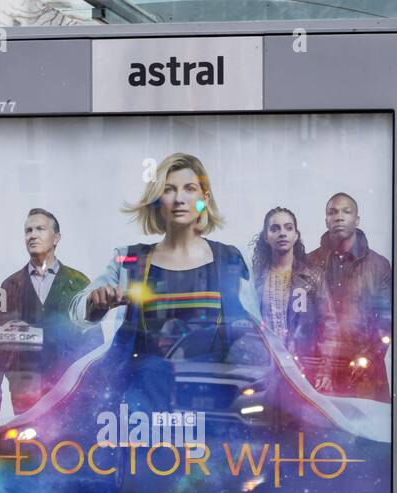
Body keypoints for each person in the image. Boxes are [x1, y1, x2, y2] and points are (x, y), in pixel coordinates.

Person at [73, 152, 260, 411]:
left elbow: (256, 333)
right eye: (169, 190)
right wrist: (96, 303)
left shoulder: (230, 259)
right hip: (144, 411)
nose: (179, 199)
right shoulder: (130, 259)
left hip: (215, 407)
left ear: (204, 200)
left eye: (190, 189)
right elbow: (79, 310)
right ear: (157, 200)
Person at [0, 209, 100, 418]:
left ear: (56, 238)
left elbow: (94, 340)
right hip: (25, 392)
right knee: (29, 449)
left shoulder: (78, 283)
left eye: (40, 229)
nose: (32, 235)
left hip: (69, 391)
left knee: (65, 448)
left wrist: (89, 387)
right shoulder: (10, 286)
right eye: (28, 230)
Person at [306, 192, 393, 400]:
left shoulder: (379, 265)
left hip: (365, 374)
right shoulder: (308, 263)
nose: (339, 217)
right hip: (320, 371)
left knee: (366, 431)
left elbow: (386, 321)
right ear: (326, 220)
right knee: (318, 431)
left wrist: (369, 358)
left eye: (347, 211)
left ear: (357, 219)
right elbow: (302, 319)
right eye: (332, 212)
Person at [249, 206, 324, 357]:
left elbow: (328, 325)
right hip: (266, 365)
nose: (282, 233)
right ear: (265, 236)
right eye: (275, 229)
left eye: (288, 228)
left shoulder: (312, 277)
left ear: (296, 235)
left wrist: (324, 369)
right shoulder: (254, 280)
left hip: (304, 365)